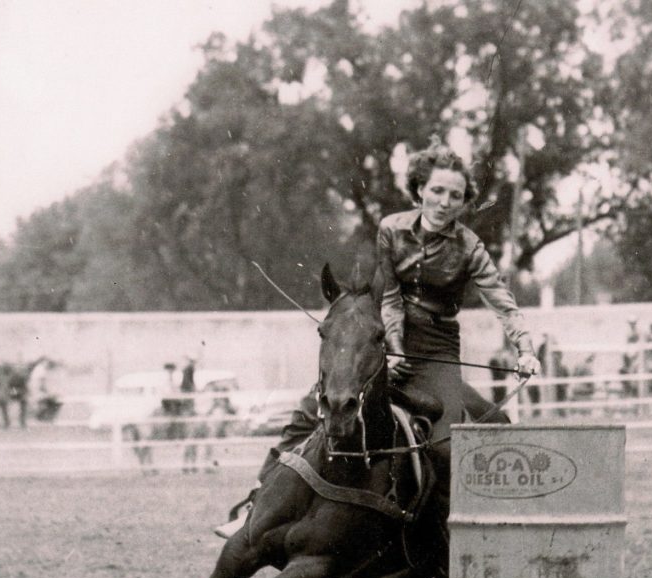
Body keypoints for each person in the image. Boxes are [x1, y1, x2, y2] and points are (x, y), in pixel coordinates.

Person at [220, 138, 541, 549]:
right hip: (384, 340)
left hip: (437, 350)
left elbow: (502, 300)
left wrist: (526, 349)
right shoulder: (391, 229)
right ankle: (254, 505)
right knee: (307, 413)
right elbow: (388, 295)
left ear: (464, 203)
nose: (445, 202)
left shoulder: (470, 248)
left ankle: (438, 544)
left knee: (444, 447)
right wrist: (394, 346)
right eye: (438, 190)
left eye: (456, 196)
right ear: (421, 188)